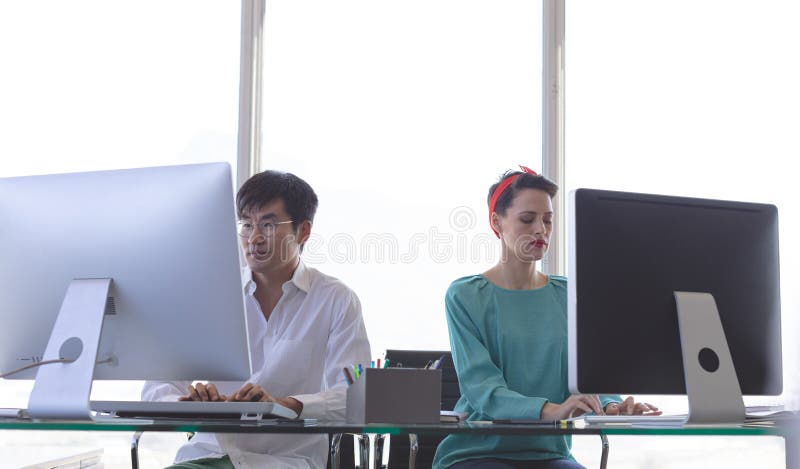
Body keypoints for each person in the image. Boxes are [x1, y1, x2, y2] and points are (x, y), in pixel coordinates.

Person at [432, 167, 660, 469]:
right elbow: (484, 392)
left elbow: (587, 375)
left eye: (548, 220)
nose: (541, 229)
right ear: (496, 222)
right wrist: (552, 410)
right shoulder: (465, 296)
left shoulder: (570, 294)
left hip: (549, 455)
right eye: (528, 219)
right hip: (476, 453)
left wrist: (611, 405)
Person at [143, 170, 371, 469]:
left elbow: (356, 394)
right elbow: (156, 387)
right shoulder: (210, 296)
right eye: (247, 225)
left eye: (269, 224)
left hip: (287, 461)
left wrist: (281, 405)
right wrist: (189, 405)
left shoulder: (337, 301)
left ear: (303, 231)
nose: (255, 238)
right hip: (207, 456)